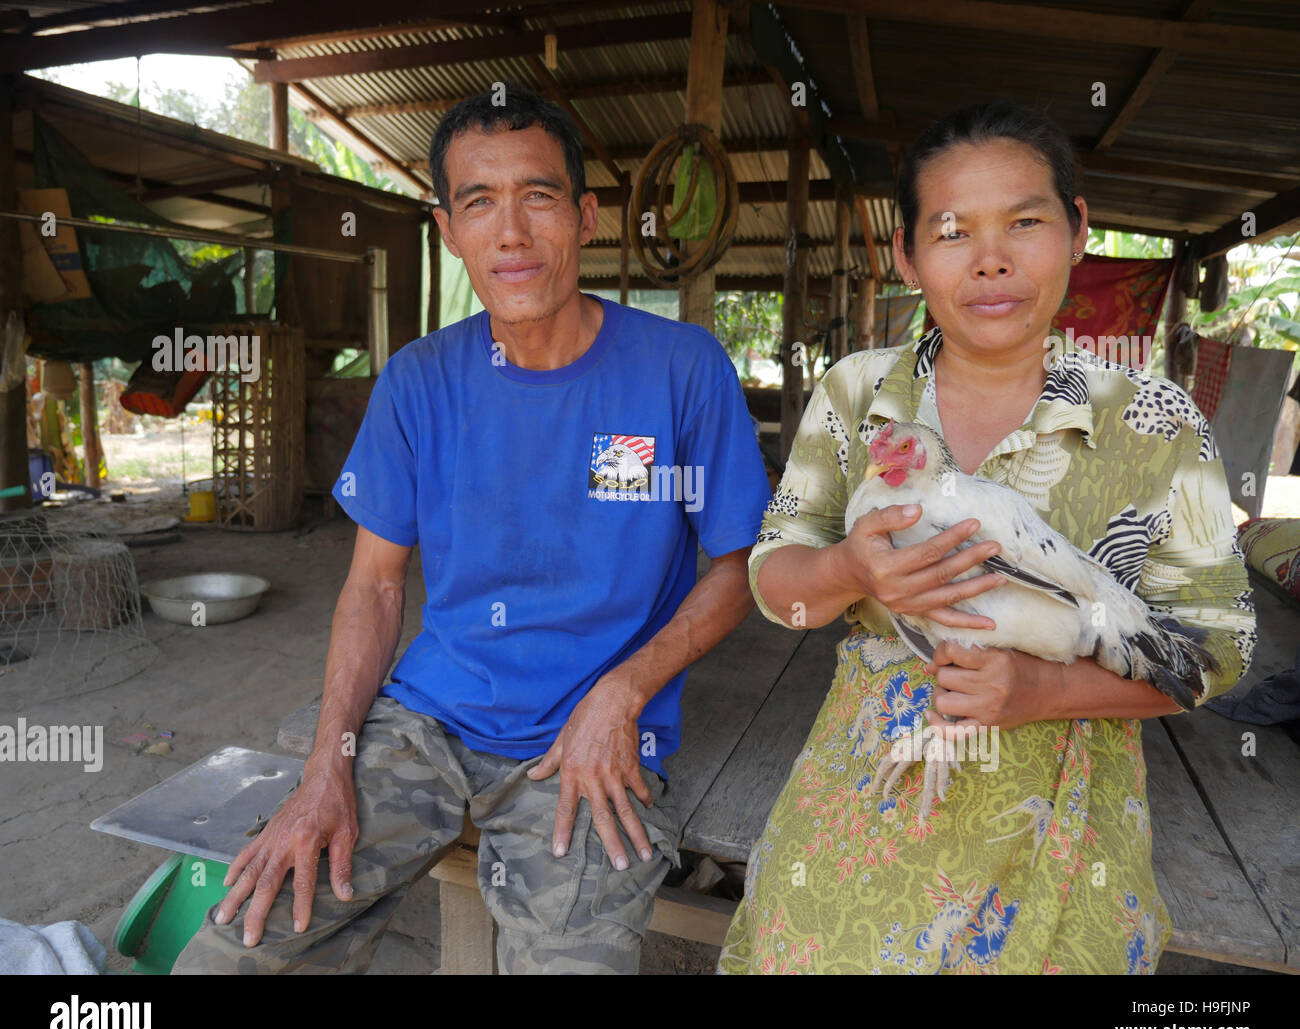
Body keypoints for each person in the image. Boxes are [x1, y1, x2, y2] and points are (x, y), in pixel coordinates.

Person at [173, 82, 770, 975]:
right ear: (449, 230)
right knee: (238, 948)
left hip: (591, 738)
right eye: (480, 203)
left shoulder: (681, 369)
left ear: (586, 216)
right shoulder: (419, 380)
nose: (513, 232)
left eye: (538, 196)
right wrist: (327, 767)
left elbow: (738, 566)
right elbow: (374, 587)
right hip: (426, 722)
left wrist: (623, 691)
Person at [716, 101, 1257, 975]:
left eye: (1026, 222)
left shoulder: (1158, 423)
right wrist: (852, 568)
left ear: (1078, 230)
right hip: (866, 802)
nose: (992, 258)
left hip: (1062, 820)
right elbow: (780, 586)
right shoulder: (858, 393)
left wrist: (1041, 689)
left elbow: (1214, 655)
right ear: (907, 252)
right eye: (954, 230)